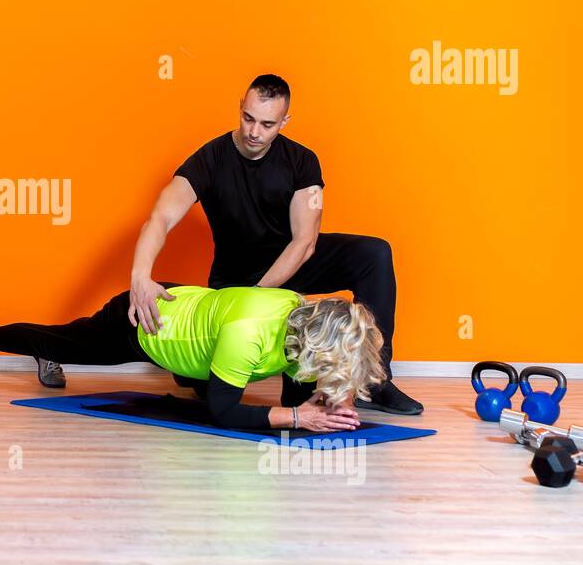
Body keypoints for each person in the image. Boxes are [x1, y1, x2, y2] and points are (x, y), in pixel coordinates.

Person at [67, 73, 421, 415]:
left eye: (267, 124)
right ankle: (193, 371)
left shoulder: (302, 161)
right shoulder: (211, 158)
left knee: (374, 252)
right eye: (248, 118)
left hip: (291, 260)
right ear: (240, 107)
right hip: (238, 277)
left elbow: (305, 242)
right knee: (209, 391)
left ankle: (374, 380)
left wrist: (263, 295)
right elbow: (160, 217)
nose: (254, 131)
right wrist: (140, 276)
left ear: (285, 120)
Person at [0, 284, 380, 432]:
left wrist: (335, 403)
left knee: (202, 380)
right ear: (316, 339)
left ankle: (44, 354)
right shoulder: (248, 336)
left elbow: (299, 379)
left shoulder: (300, 313)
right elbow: (222, 412)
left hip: (192, 318)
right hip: (143, 325)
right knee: (62, 341)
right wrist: (300, 419)